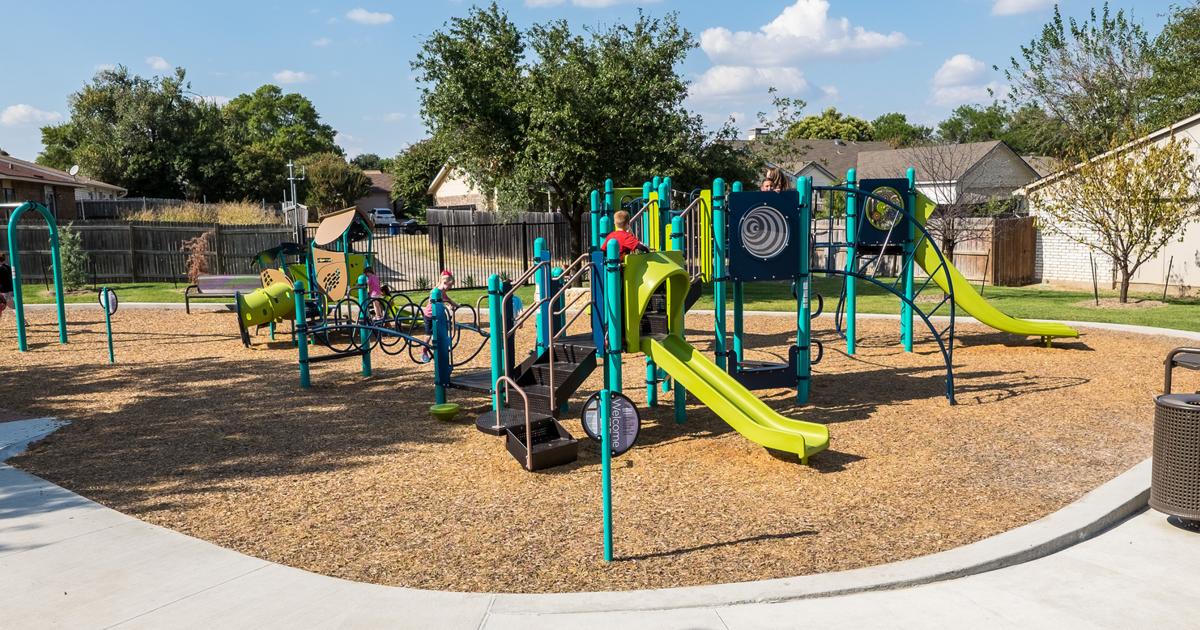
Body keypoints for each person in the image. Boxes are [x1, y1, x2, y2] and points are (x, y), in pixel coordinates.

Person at [421, 270, 461, 361]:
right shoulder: (435, 291)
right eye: (450, 285)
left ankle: (441, 348)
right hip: (430, 316)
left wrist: (456, 305)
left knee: (442, 331)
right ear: (444, 282)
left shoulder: (443, 292)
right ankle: (424, 351)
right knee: (428, 335)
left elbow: (449, 300)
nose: (450, 287)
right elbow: (435, 303)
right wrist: (447, 305)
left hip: (438, 316)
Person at [0, 253, 12, 320]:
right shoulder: (7, 266)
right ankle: (23, 321)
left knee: (1, 306)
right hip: (8, 289)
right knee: (12, 306)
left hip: (4, 290)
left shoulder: (1, 268)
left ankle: (22, 321)